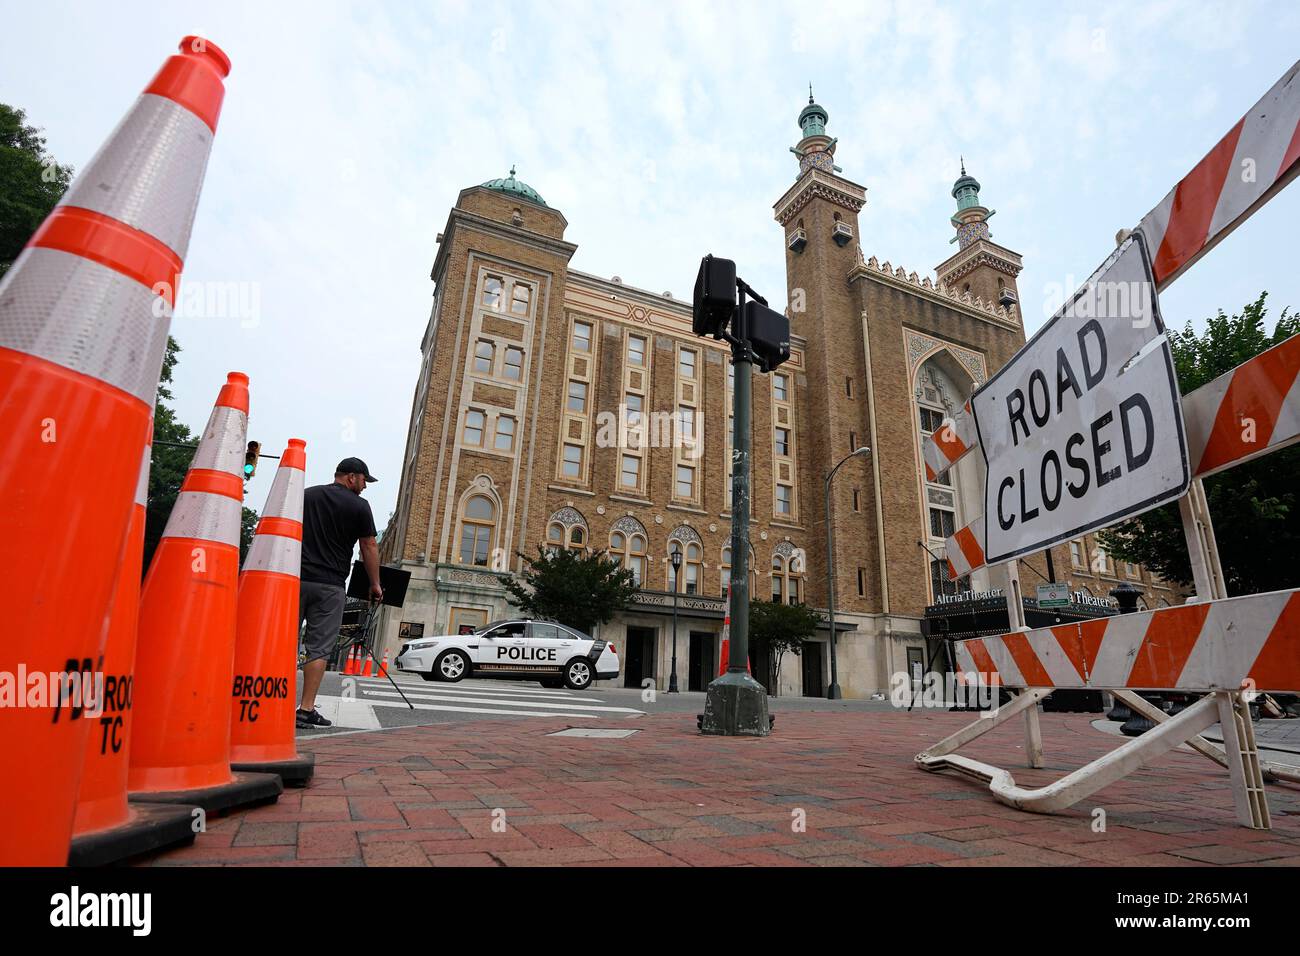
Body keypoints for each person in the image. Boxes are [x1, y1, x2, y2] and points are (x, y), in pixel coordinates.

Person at [296, 457, 383, 728]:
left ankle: (274, 701)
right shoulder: (359, 506)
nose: (365, 487)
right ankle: (306, 708)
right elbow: (368, 545)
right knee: (319, 648)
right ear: (352, 477)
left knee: (284, 644)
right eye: (364, 481)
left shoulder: (306, 495)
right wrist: (375, 583)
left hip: (295, 579)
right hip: (330, 585)